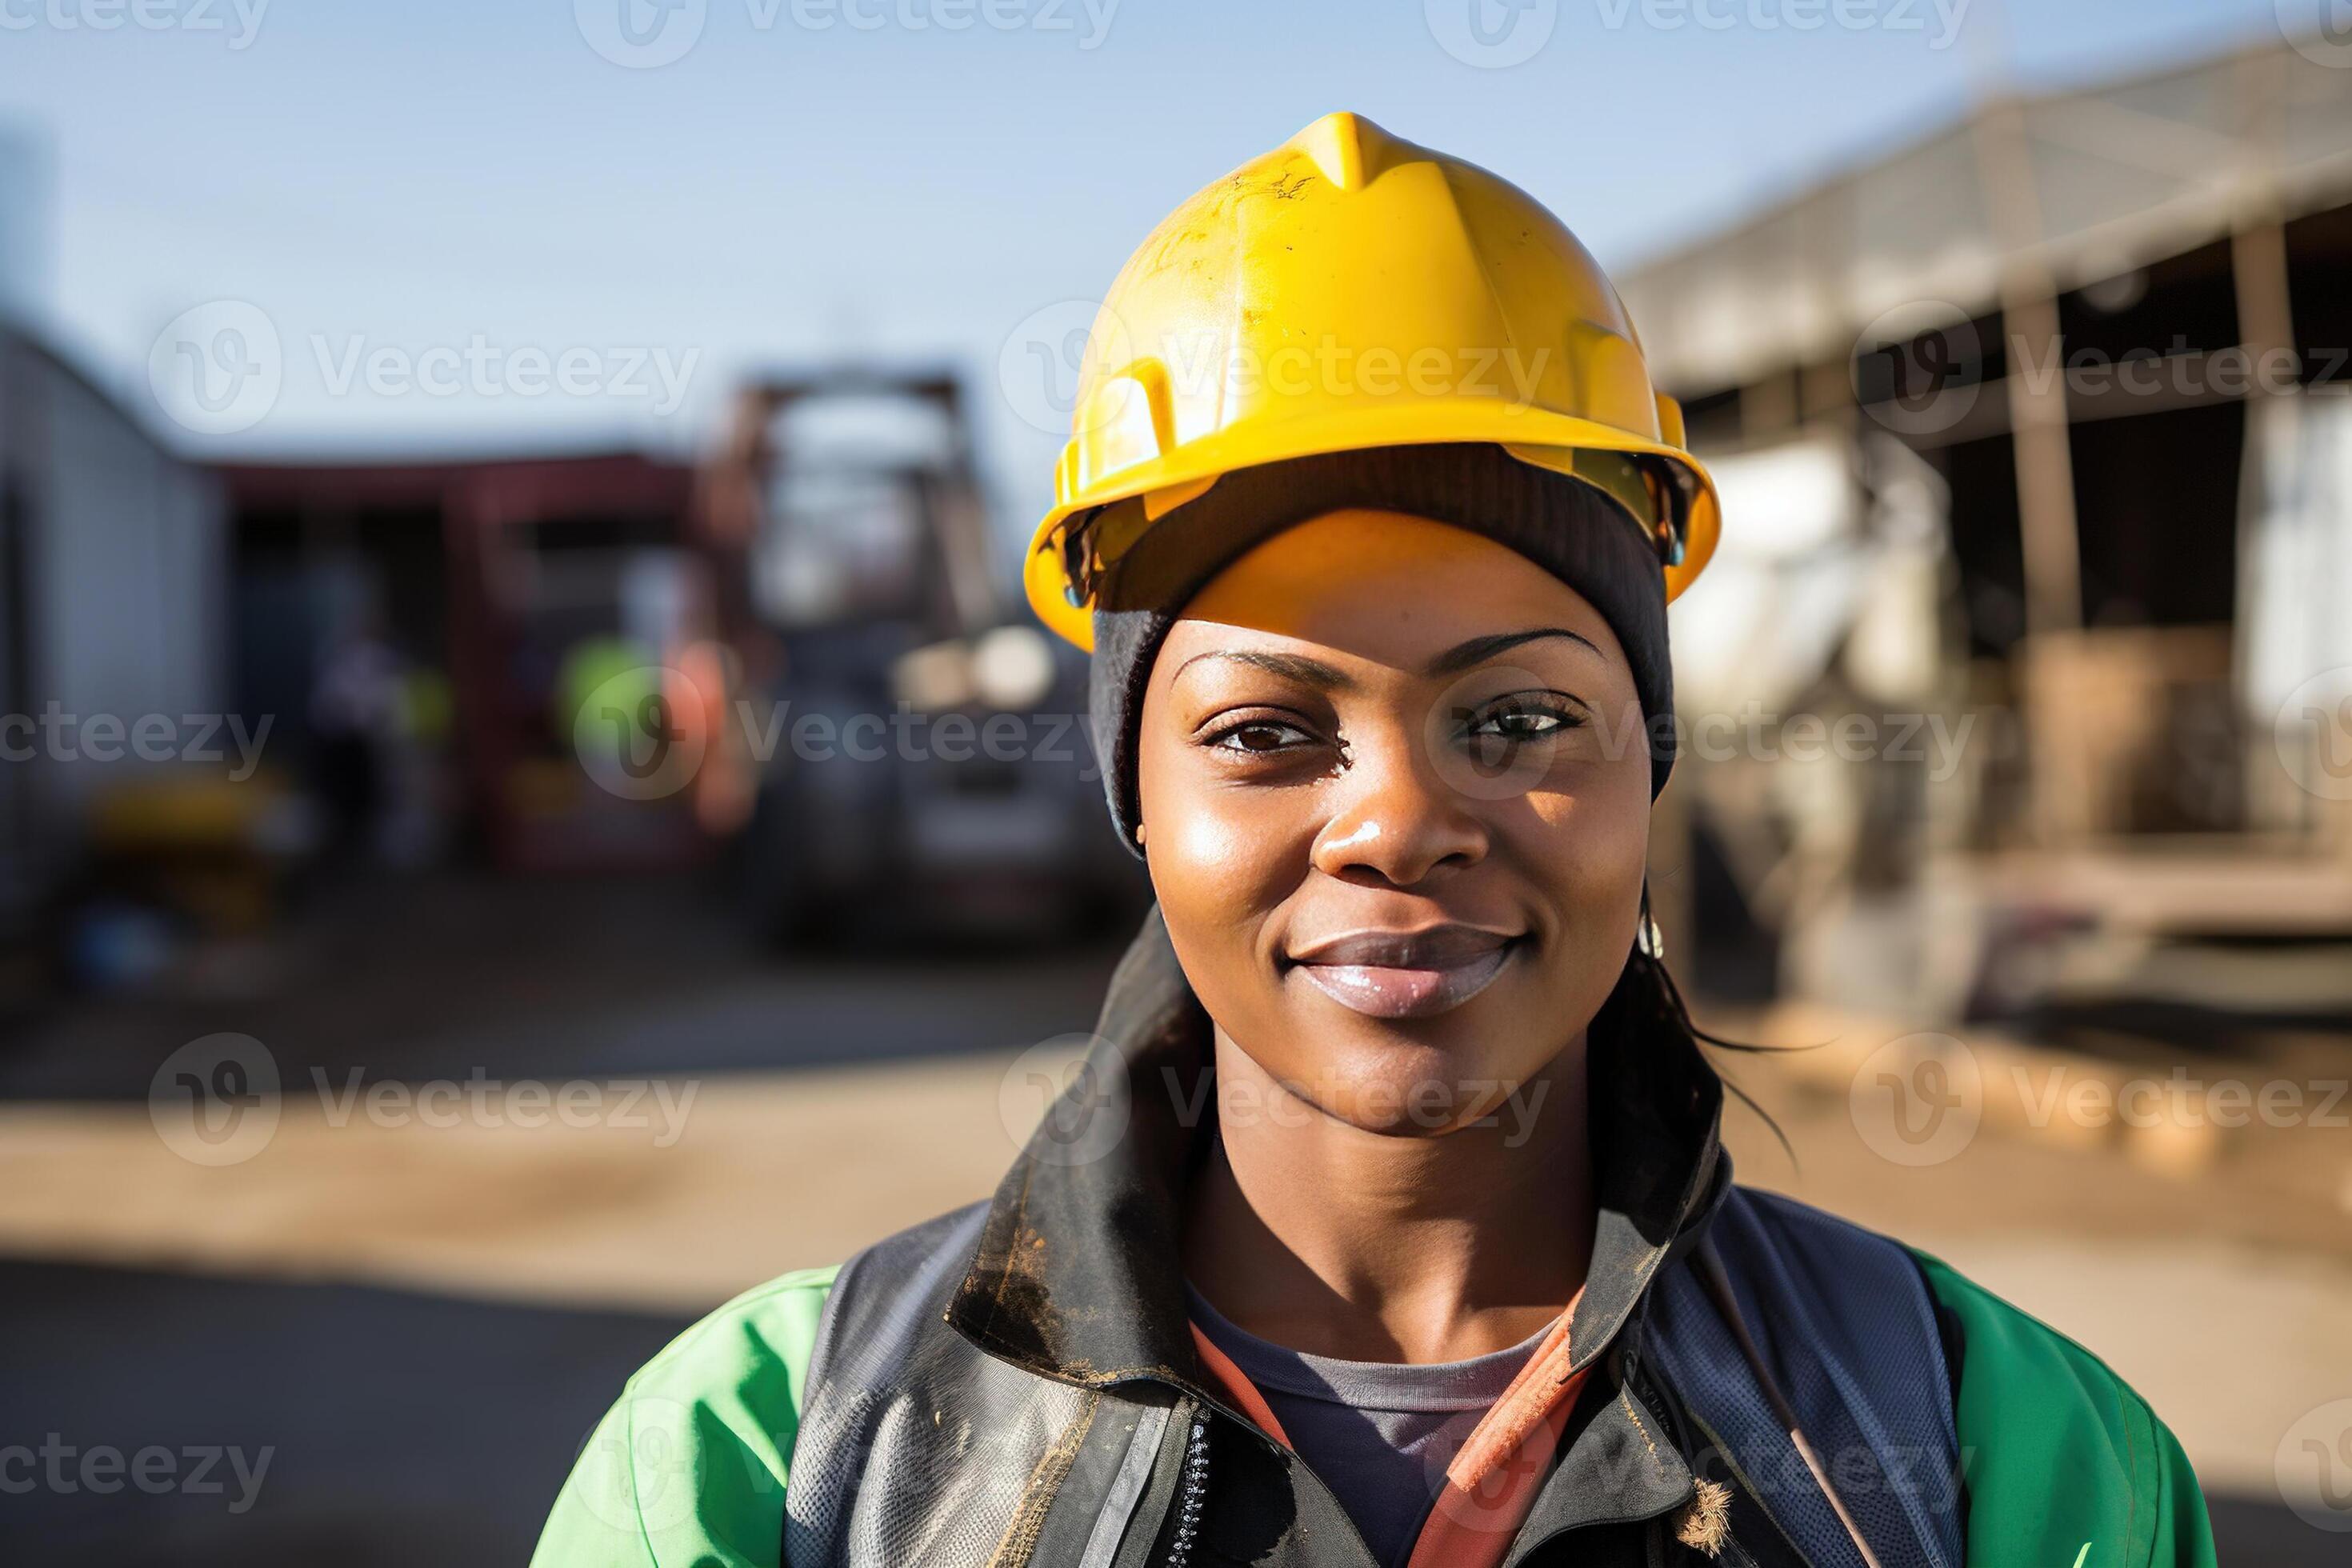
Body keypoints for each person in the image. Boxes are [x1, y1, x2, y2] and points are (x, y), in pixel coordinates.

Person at [532, 113, 2213, 1568]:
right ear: (1138, 794)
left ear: (1651, 767)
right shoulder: (772, 1461)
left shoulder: (2002, 1453)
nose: (1400, 820)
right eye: (1265, 733)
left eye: (1521, 720)